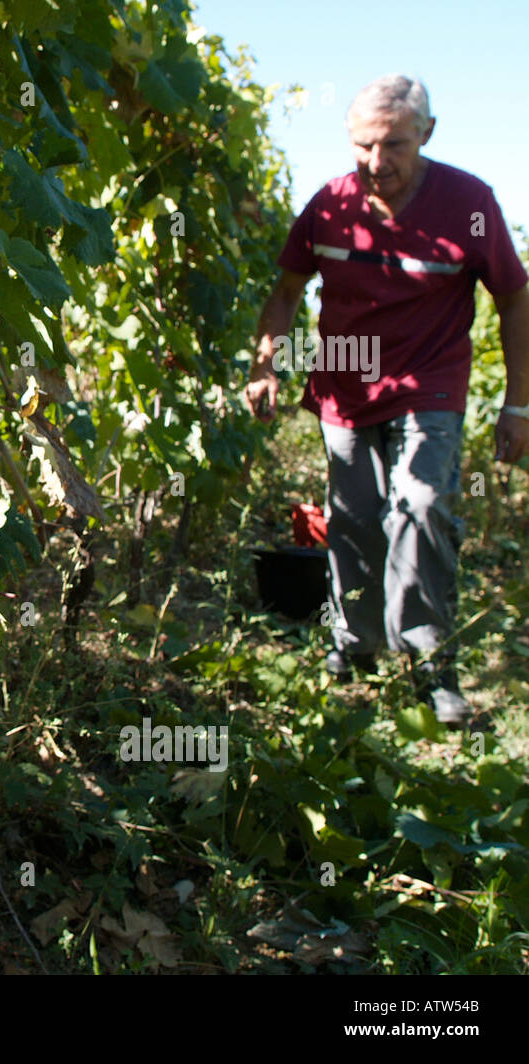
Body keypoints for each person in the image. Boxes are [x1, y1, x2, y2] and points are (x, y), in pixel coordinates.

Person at [244, 74, 529, 727]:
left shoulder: (469, 205)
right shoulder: (330, 206)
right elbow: (286, 293)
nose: (378, 162)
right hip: (345, 387)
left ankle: (430, 662)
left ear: (427, 134)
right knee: (353, 519)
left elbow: (514, 297)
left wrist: (519, 405)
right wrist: (266, 367)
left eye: (395, 144)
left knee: (422, 506)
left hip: (431, 384)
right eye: (364, 146)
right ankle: (355, 647)